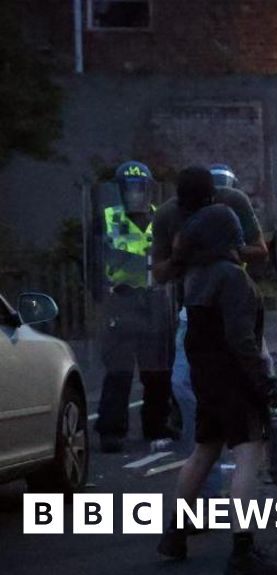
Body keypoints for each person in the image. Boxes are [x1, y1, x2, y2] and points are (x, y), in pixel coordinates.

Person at [152, 166, 277, 508]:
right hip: (196, 309)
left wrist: (222, 253)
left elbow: (256, 250)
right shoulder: (169, 216)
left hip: (221, 303)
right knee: (188, 390)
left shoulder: (230, 207)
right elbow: (160, 270)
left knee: (257, 399)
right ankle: (211, 514)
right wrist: (184, 258)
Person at [157, 191, 277, 575]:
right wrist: (264, 384)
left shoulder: (195, 278)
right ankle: (243, 549)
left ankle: (175, 534)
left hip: (206, 380)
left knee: (203, 451)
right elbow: (242, 341)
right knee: (249, 455)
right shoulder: (233, 278)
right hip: (235, 381)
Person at [91, 160, 175, 453]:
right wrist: (101, 298)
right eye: (130, 188)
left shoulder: (161, 218)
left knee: (157, 370)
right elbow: (93, 261)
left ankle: (156, 424)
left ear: (150, 190)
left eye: (141, 188)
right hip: (121, 300)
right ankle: (112, 430)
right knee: (119, 370)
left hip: (155, 299)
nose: (136, 194)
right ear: (119, 191)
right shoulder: (108, 218)